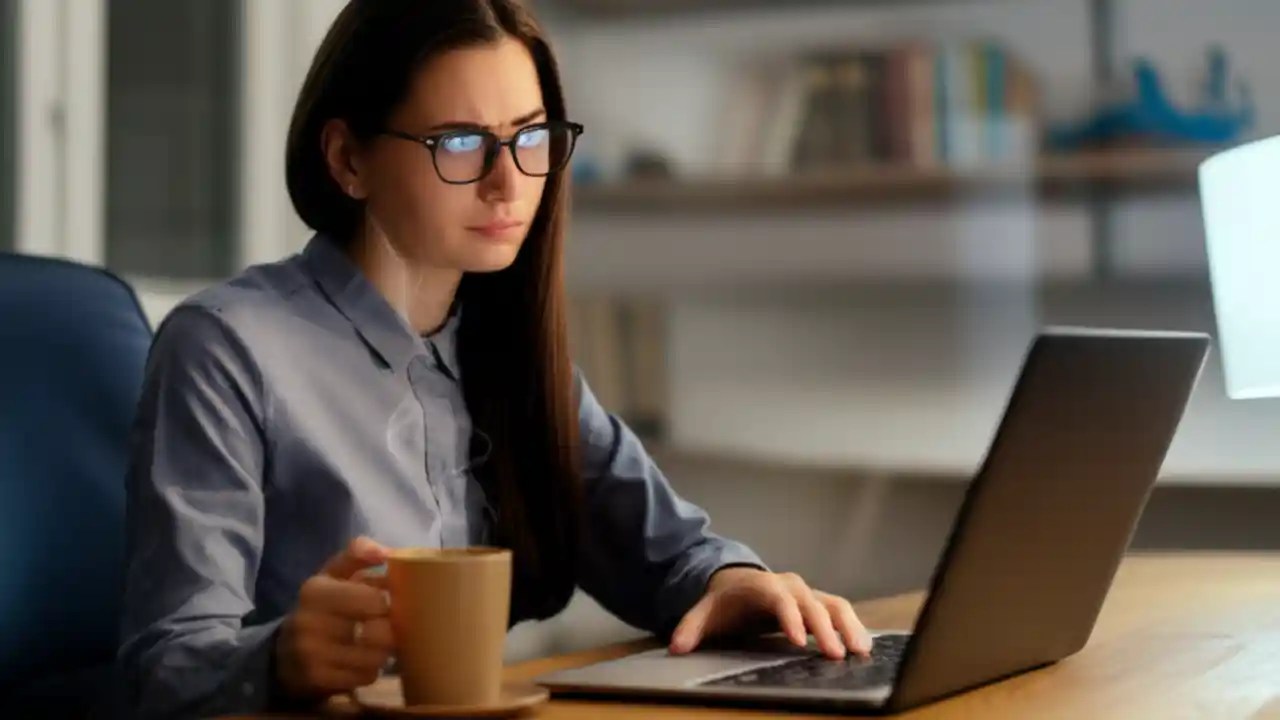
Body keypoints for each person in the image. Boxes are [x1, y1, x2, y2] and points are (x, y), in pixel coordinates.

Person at [115, 0, 872, 717]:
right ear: (349, 158)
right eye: (461, 143)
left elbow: (671, 554)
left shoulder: (503, 347)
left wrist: (734, 579)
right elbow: (163, 670)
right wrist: (280, 658)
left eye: (531, 138)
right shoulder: (225, 346)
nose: (510, 182)